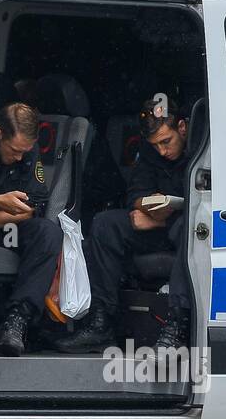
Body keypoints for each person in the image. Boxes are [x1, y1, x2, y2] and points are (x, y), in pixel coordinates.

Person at [50, 94, 192, 352]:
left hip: (187, 228)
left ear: (182, 127)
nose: (162, 150)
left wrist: (161, 221)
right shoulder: (152, 152)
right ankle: (101, 321)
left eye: (166, 142)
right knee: (106, 223)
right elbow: (135, 195)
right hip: (156, 224)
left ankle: (177, 324)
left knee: (189, 228)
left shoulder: (202, 150)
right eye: (156, 145)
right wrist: (146, 206)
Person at [0, 102, 63, 356]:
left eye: (24, 151)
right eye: (15, 150)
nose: (20, 157)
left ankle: (16, 322)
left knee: (47, 232)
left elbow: (32, 206)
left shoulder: (26, 150)